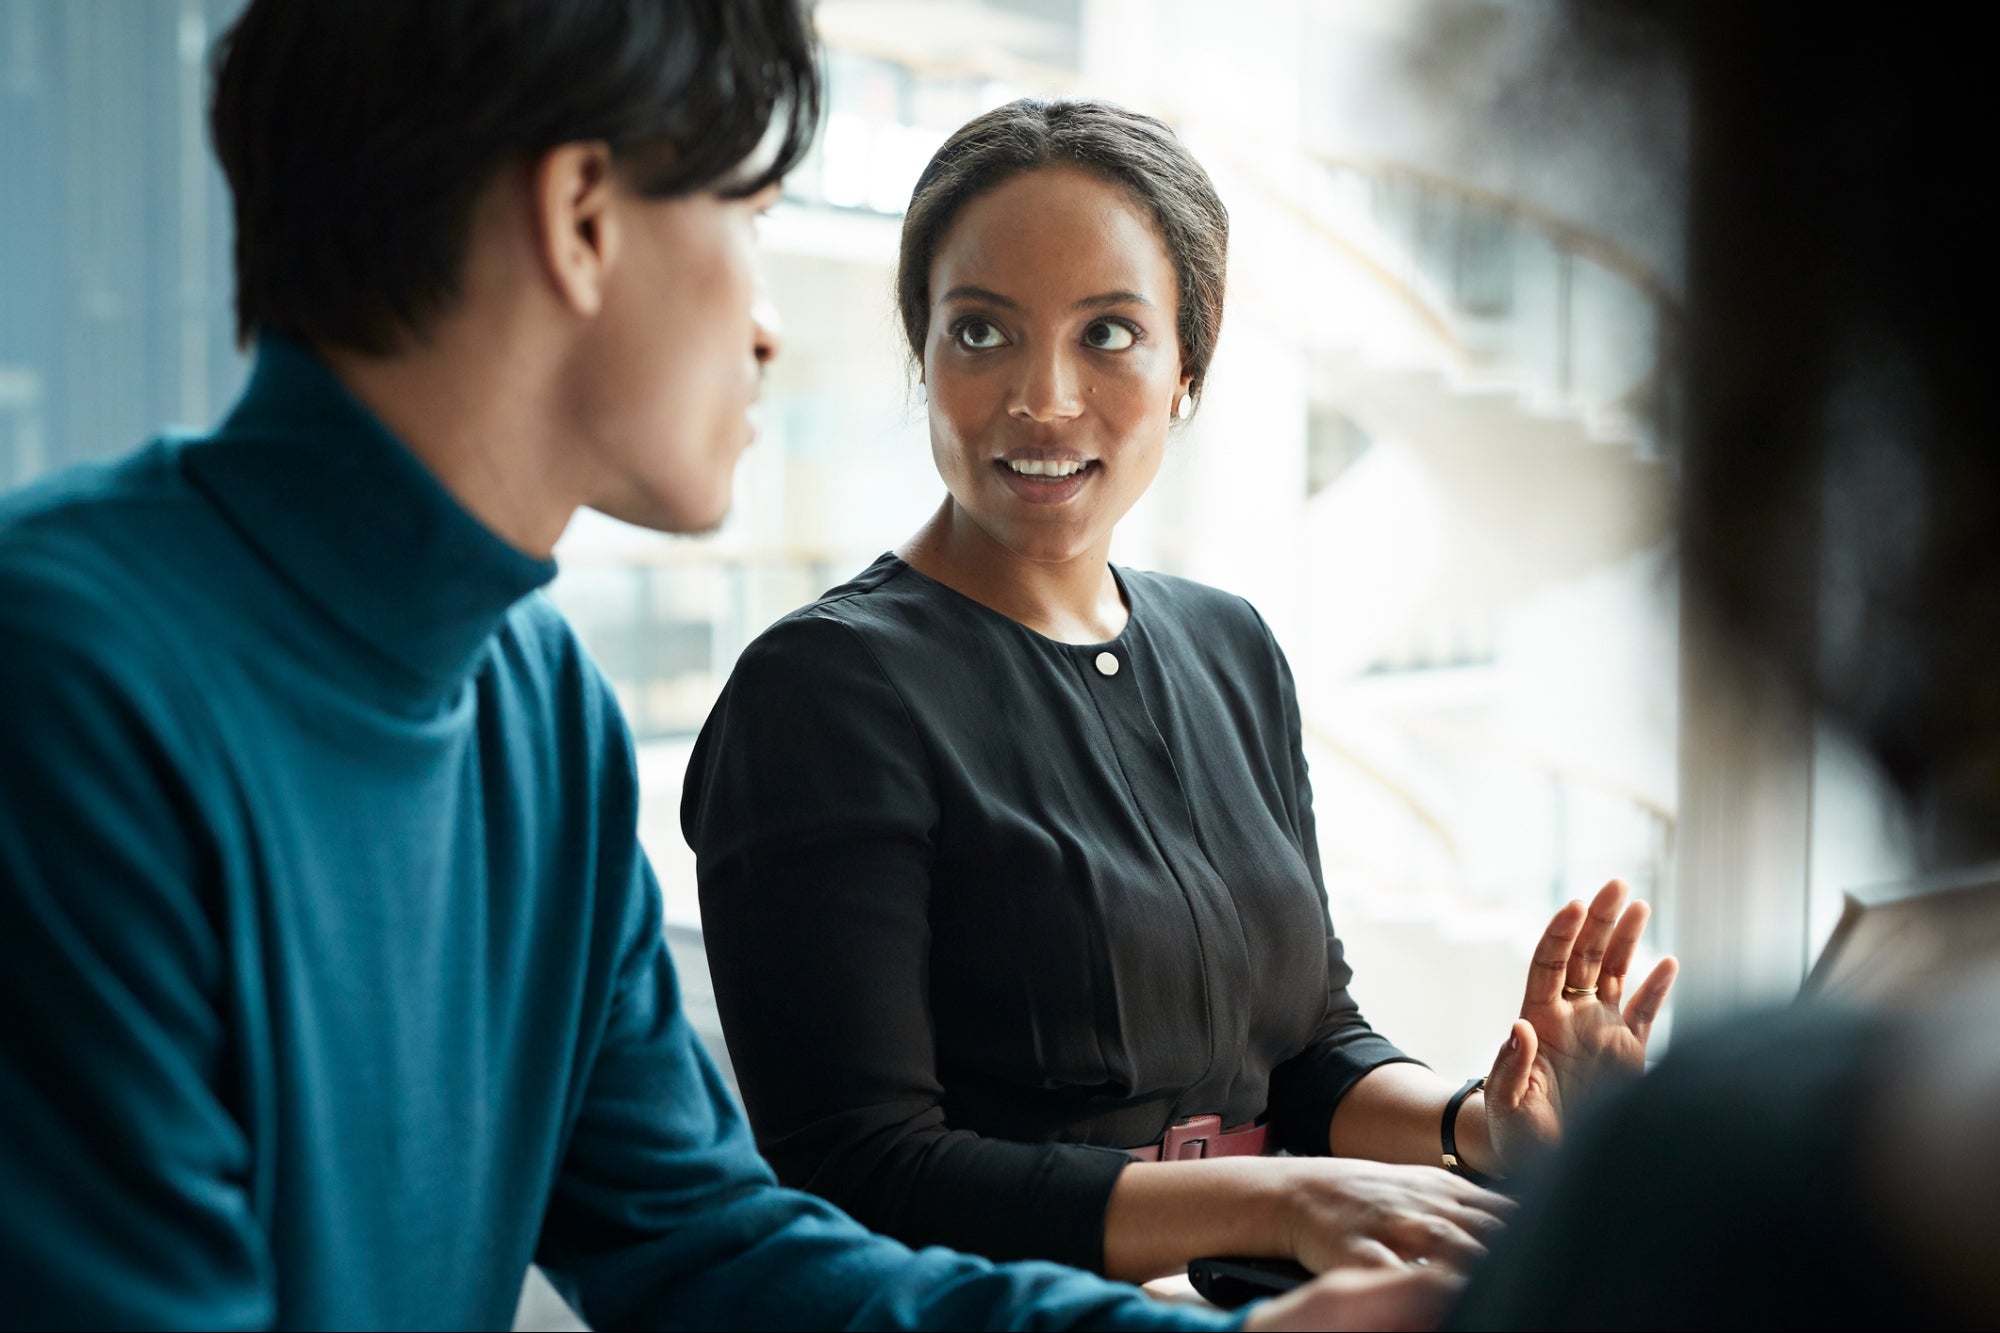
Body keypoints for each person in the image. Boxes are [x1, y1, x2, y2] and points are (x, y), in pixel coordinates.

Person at [0, 4, 1451, 1328]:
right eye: (750, 216)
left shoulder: (532, 705)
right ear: (580, 219)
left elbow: (702, 1238)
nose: (765, 326)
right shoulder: (67, 680)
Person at [684, 98, 1676, 1286]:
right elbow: (860, 1172)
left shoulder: (1230, 647)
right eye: (981, 333)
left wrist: (1480, 1120)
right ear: (924, 354)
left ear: (1186, 370)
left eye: (1107, 334)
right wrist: (1282, 1203)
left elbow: (1308, 1051)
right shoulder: (822, 692)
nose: (1042, 398)